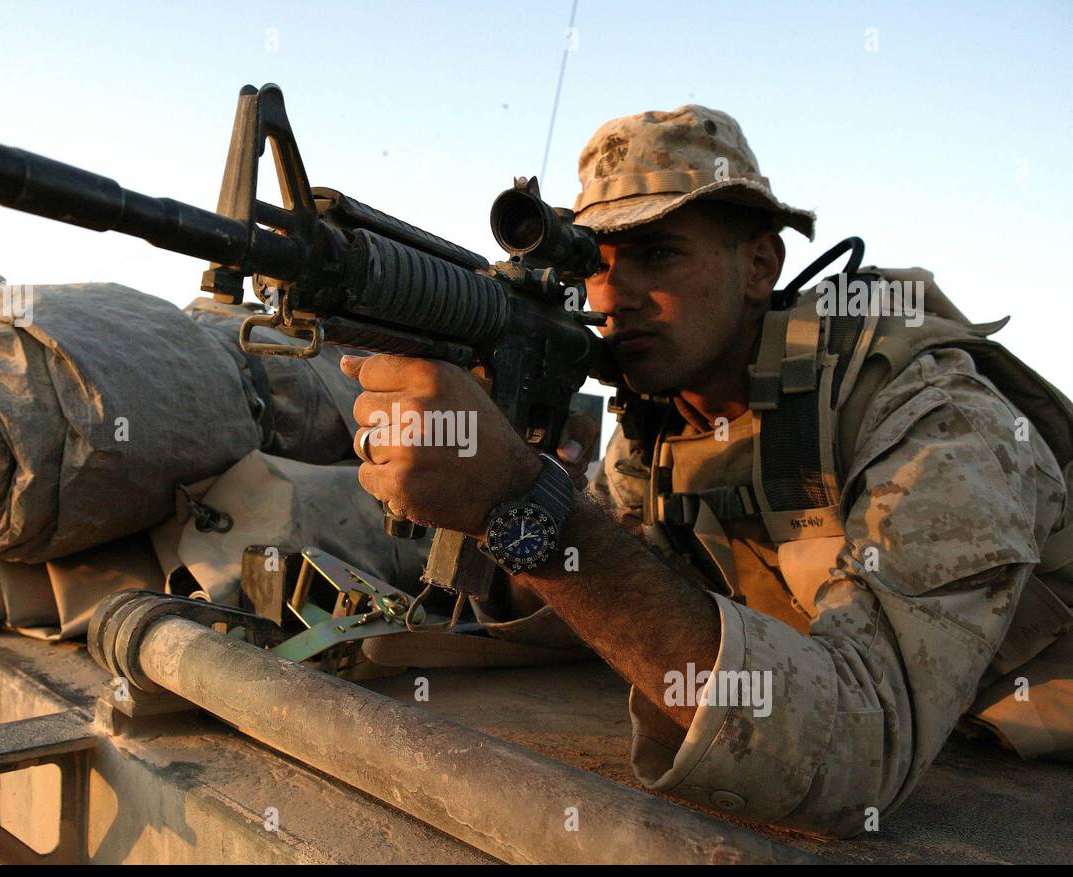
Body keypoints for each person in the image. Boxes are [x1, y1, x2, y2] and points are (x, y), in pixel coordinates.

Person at [340, 104, 1072, 837]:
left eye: (657, 255)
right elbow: (599, 595)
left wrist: (520, 499)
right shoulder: (661, 426)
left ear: (759, 266)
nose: (613, 298)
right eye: (594, 264)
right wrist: (479, 477)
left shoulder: (929, 414)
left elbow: (853, 759)